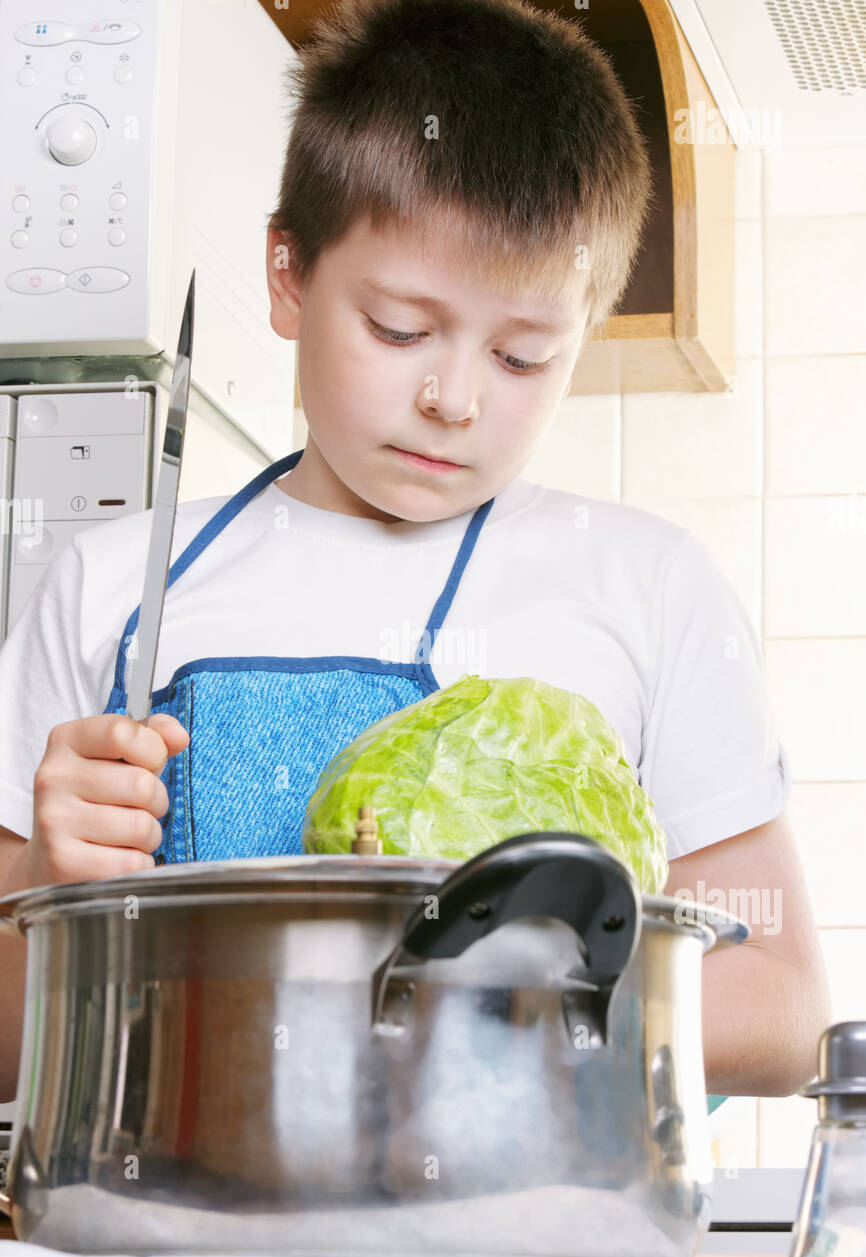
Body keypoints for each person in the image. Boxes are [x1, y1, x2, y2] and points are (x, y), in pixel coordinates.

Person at [0, 0, 829, 1103]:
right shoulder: (109, 583)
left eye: (525, 354)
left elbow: (782, 1009)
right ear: (288, 274)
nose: (453, 399)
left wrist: (521, 1000)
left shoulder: (648, 586)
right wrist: (49, 890)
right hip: (191, 1248)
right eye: (398, 330)